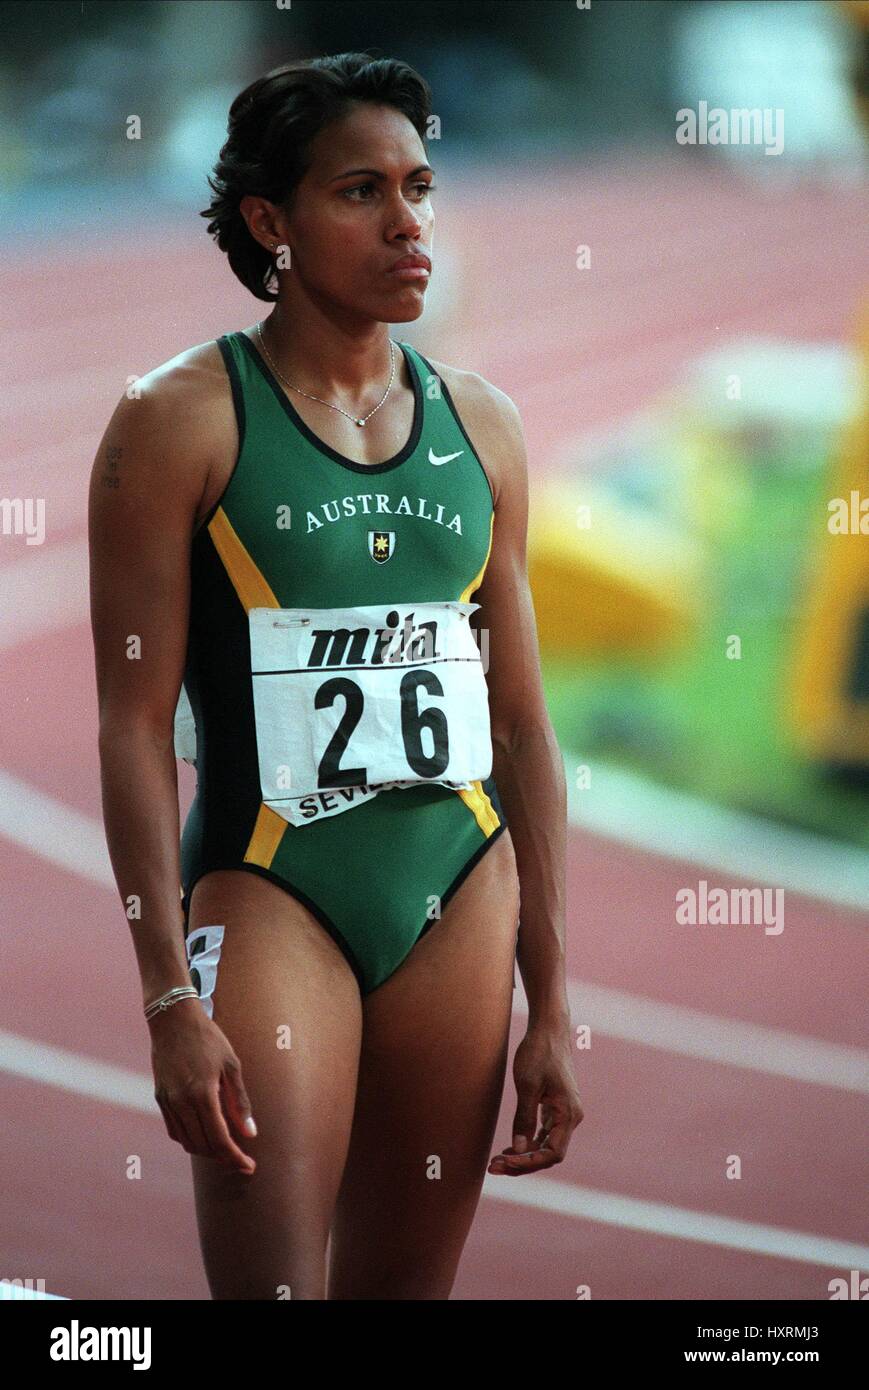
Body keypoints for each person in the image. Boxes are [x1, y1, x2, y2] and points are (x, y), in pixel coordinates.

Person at [89, 51, 583, 1301]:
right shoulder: (179, 419)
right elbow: (133, 728)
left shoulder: (485, 427)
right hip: (271, 887)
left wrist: (556, 1002)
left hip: (460, 886)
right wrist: (165, 1002)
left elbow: (521, 731)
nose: (408, 221)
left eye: (419, 185)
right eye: (361, 191)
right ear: (271, 222)